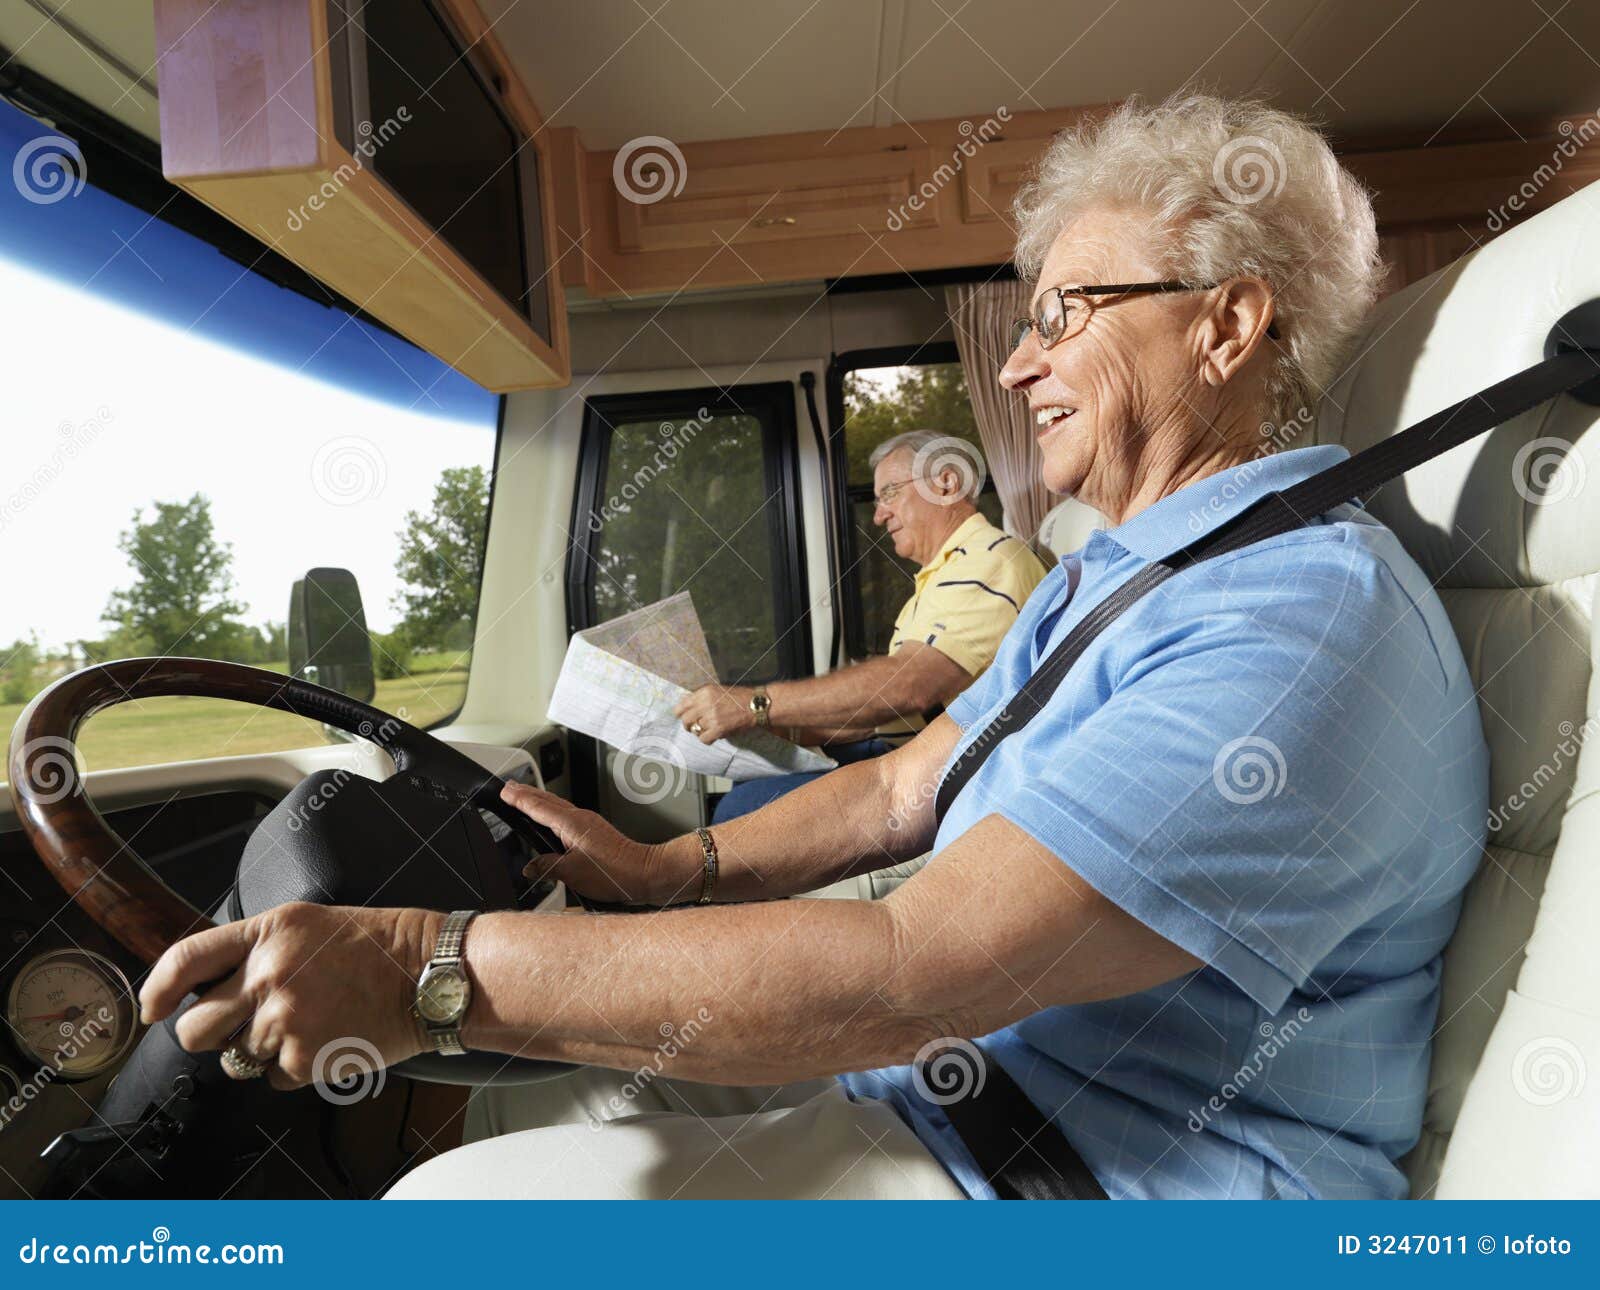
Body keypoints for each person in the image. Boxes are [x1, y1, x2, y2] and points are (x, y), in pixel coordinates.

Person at [140, 93, 1489, 1200]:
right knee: (550, 1090)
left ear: (1226, 322)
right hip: (969, 1087)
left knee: (442, 1208)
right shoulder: (1123, 577)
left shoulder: (1296, 621)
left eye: (1064, 314)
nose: (1017, 371)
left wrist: (417, 964)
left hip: (1086, 1176)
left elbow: (913, 970)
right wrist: (670, 867)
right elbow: (910, 786)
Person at [678, 429, 1048, 822]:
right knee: (748, 785)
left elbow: (911, 685)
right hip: (912, 751)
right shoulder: (938, 577)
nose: (878, 515)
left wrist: (757, 705)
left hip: (949, 771)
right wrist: (781, 732)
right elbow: (878, 714)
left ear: (946, 482)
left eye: (890, 493)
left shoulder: (990, 561)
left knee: (739, 811)